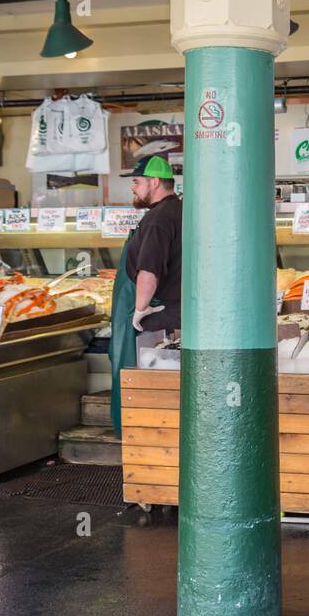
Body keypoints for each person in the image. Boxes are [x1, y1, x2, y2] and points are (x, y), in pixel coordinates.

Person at [108, 154, 182, 434]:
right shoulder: (179, 210)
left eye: (137, 182)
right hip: (172, 313)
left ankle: (133, 437)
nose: (133, 187)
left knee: (135, 384)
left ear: (154, 182)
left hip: (150, 320)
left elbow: (148, 271)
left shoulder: (156, 219)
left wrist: (139, 310)